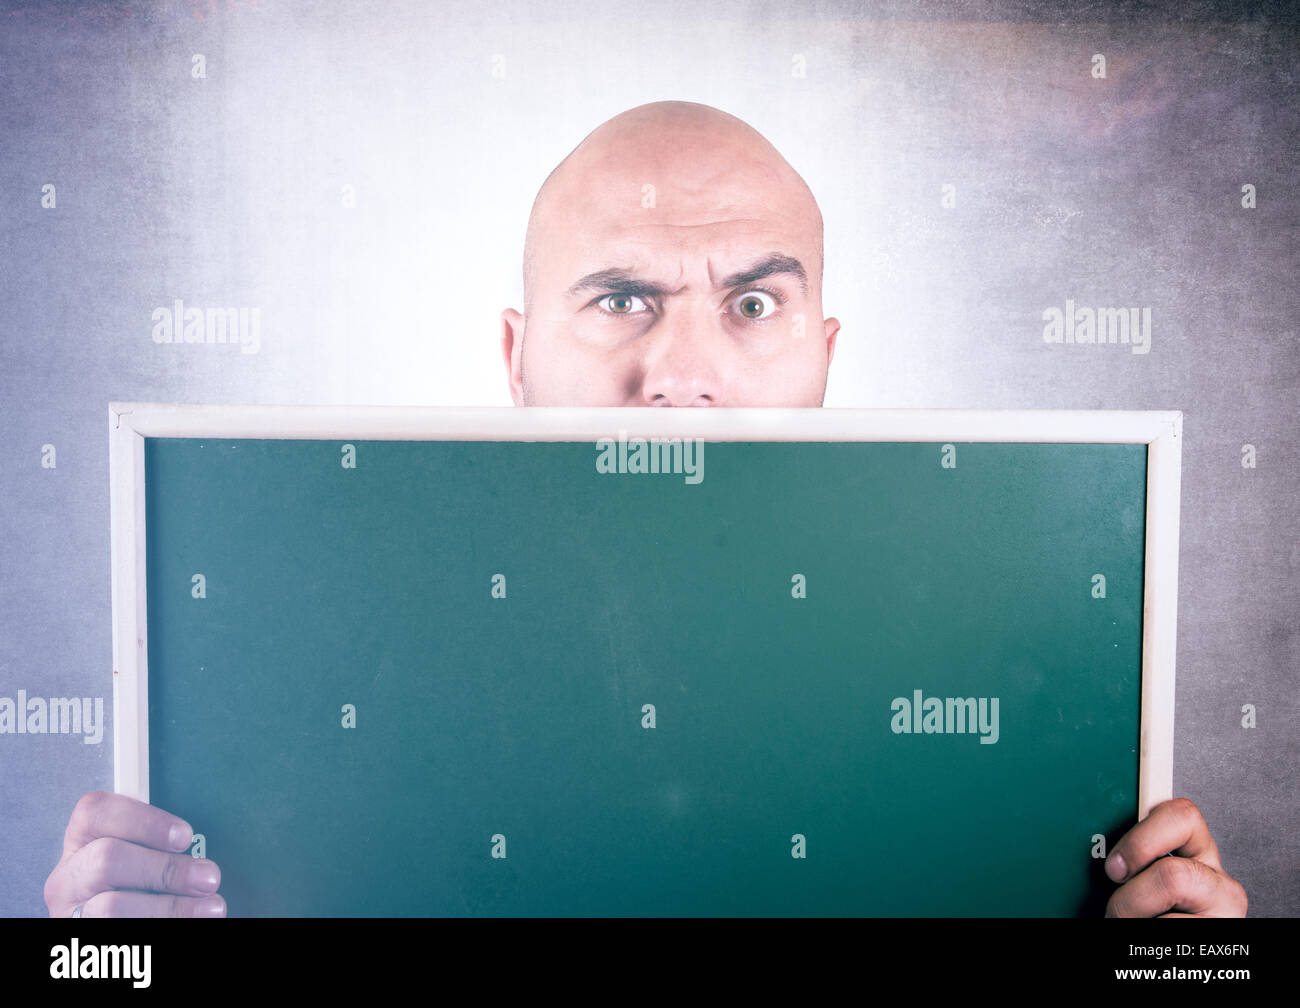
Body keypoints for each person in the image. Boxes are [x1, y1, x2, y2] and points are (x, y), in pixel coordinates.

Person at [45, 101, 1248, 919]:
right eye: (621, 298)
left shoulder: (992, 669)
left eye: (756, 306)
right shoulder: (317, 682)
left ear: (825, 355)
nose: (683, 373)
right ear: (516, 358)